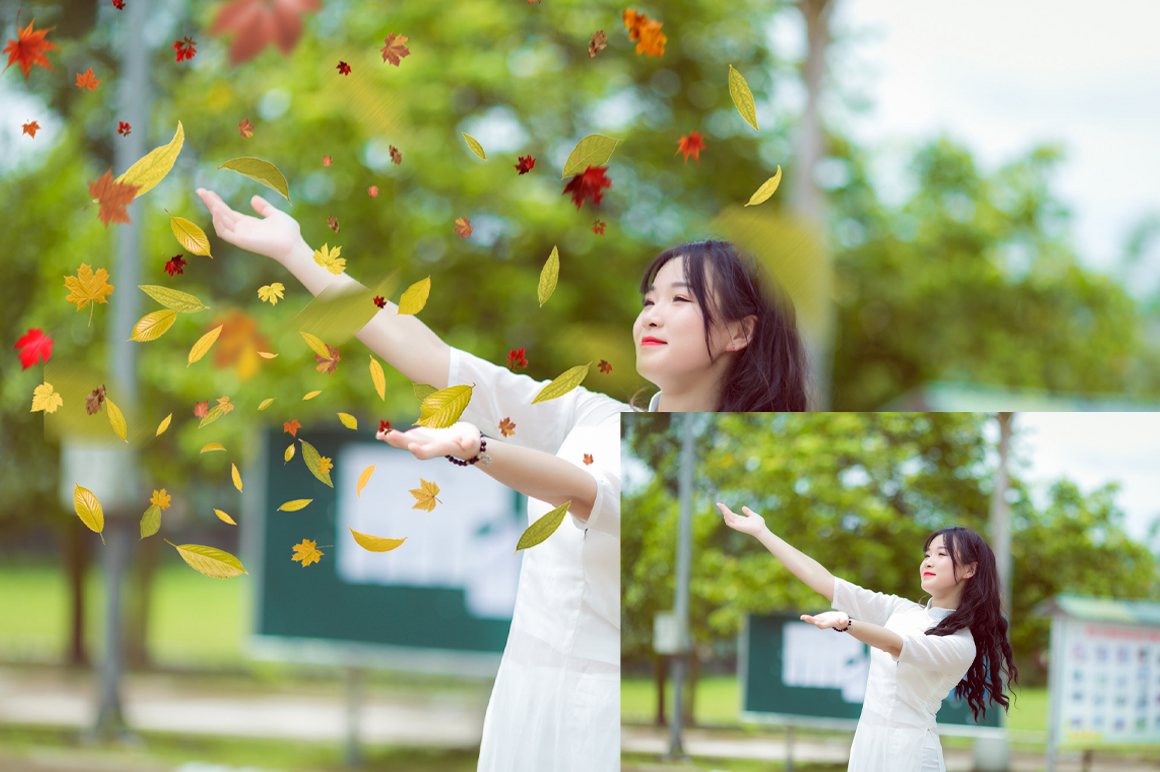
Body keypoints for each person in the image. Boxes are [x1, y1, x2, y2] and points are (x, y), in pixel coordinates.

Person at [193, 188, 807, 770]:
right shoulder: (587, 413)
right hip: (523, 696)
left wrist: (480, 449)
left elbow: (583, 490)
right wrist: (296, 253)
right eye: (649, 300)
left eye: (681, 300)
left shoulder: (717, 468)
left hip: (598, 719)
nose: (653, 314)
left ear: (740, 331)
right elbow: (429, 356)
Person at [718, 503, 1018, 772]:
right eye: (927, 554)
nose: (928, 561)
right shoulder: (901, 610)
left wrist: (848, 624)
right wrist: (763, 533)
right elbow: (825, 582)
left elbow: (896, 644)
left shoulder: (961, 644)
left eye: (942, 555)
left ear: (969, 570)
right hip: (867, 743)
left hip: (911, 753)